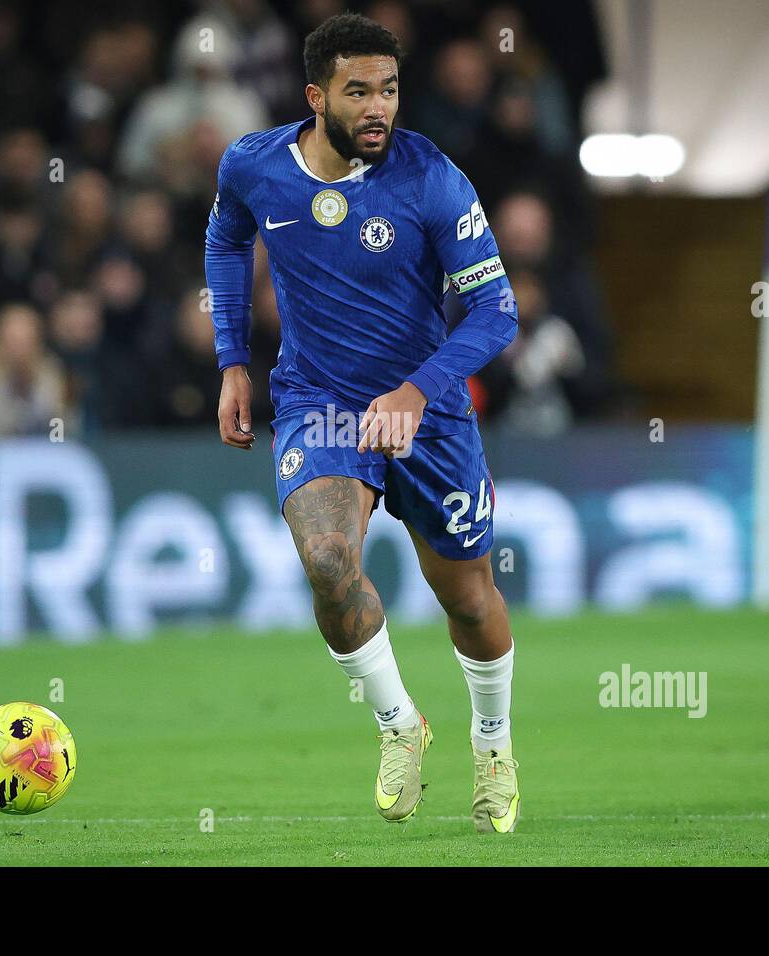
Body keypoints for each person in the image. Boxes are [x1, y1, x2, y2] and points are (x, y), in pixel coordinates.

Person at [204, 13, 520, 832]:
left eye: (388, 89)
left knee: (471, 602)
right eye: (358, 91)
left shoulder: (431, 178)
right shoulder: (255, 167)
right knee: (327, 557)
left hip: (430, 414)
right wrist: (234, 360)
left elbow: (495, 310)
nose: (379, 106)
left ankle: (492, 744)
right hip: (318, 403)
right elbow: (226, 238)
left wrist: (417, 392)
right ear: (316, 96)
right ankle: (399, 725)